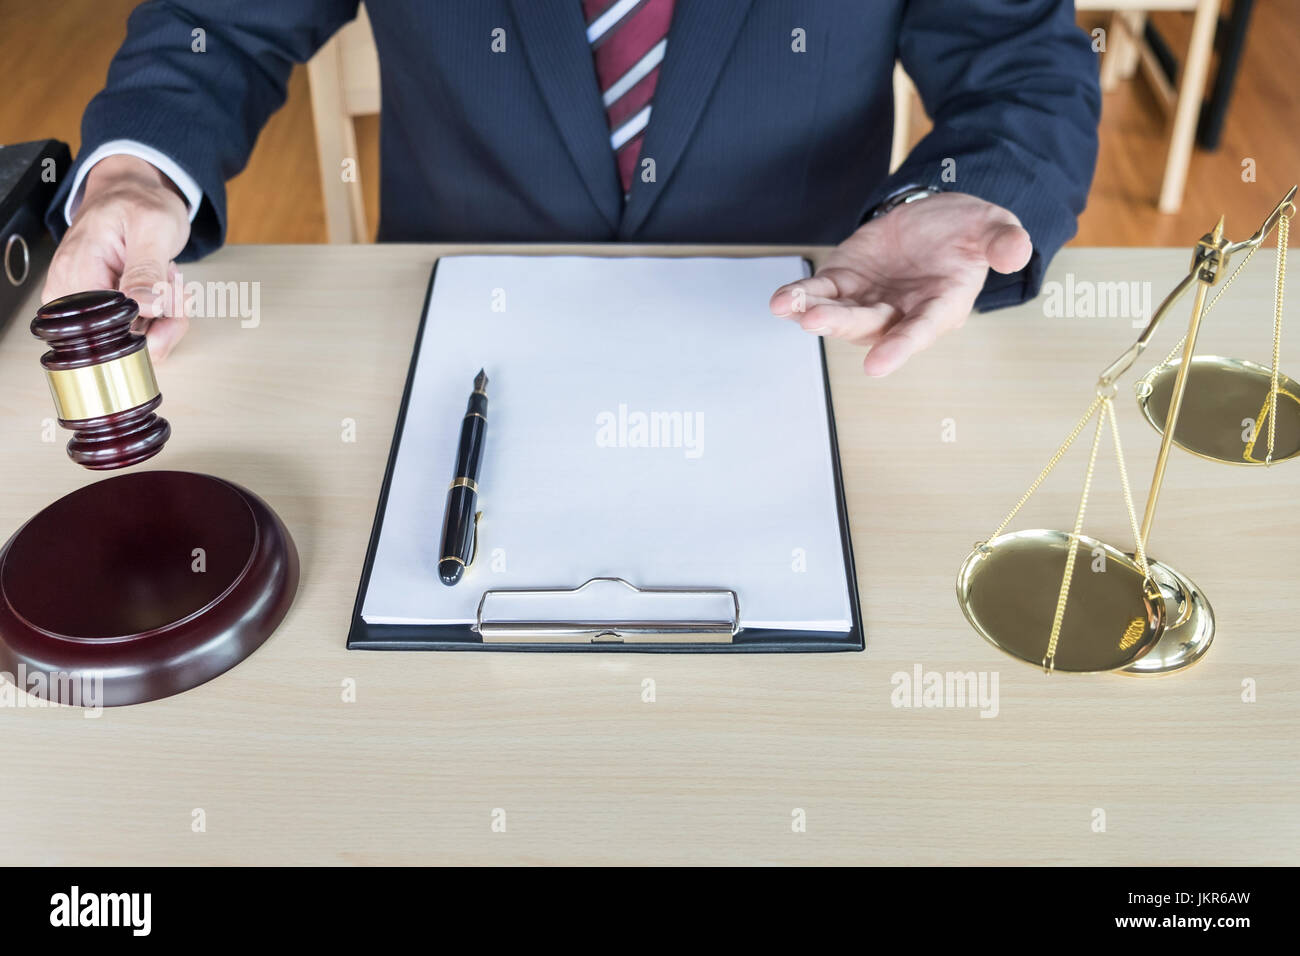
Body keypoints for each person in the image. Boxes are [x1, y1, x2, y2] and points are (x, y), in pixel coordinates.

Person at [42, 0, 1100, 376]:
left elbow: (1020, 60)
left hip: (816, 339)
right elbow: (216, 22)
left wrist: (955, 197)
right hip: (457, 341)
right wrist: (135, 175)